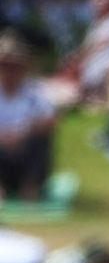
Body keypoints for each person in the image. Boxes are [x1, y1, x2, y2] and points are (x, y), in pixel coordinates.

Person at [0, 29, 56, 202]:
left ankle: (30, 186)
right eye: (6, 64)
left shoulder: (35, 91)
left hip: (25, 151)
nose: (11, 70)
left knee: (41, 140)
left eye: (15, 65)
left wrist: (23, 134)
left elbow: (50, 120)